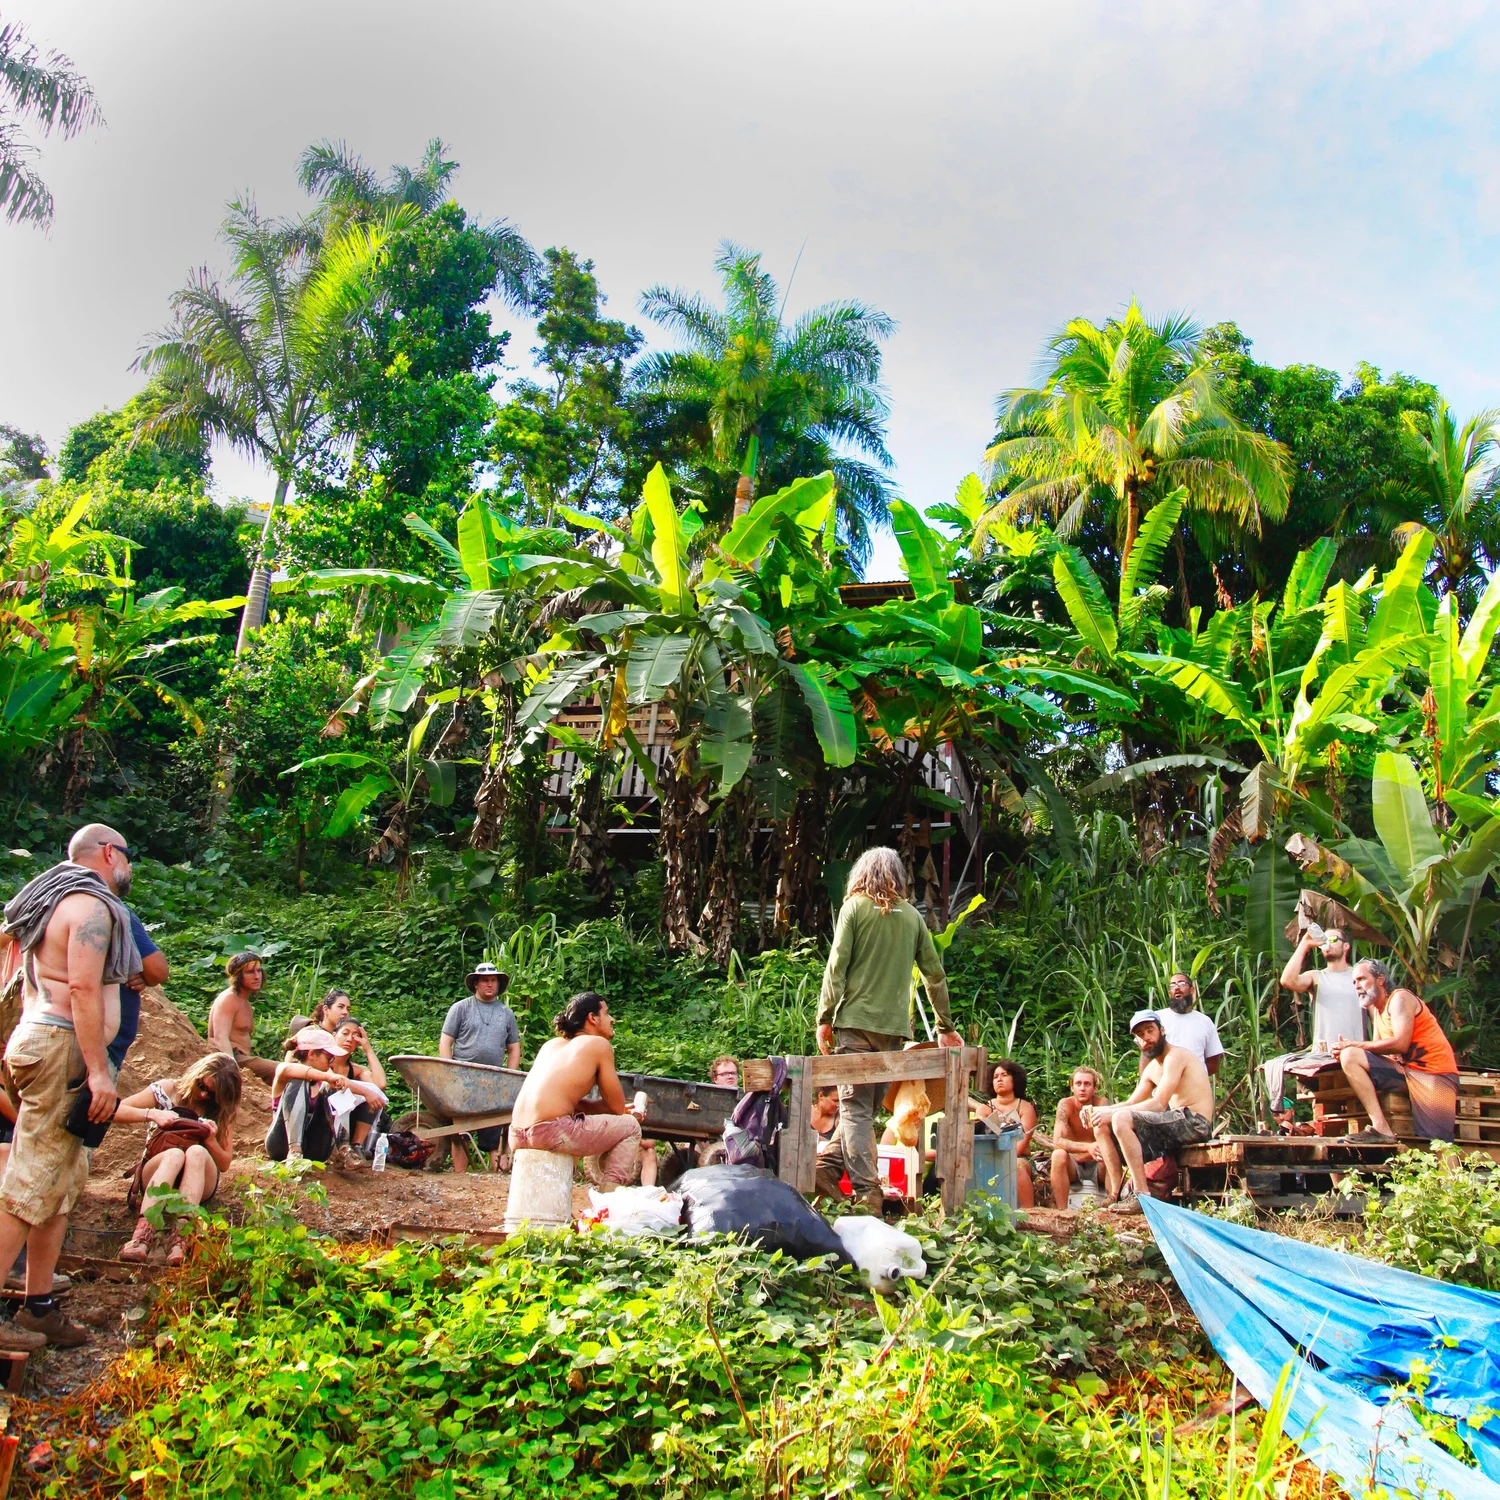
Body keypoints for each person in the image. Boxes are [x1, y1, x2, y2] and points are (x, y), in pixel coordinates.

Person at [0, 823, 140, 1348]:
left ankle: (38, 1306)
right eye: (127, 856)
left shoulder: (52, 899)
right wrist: (99, 1070)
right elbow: (81, 985)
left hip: (43, 1042)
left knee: (59, 1183)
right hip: (63, 1049)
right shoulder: (90, 906)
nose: (130, 866)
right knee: (30, 1183)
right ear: (109, 853)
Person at [816, 847, 961, 1215]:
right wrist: (945, 1025)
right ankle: (827, 1168)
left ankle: (868, 1195)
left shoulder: (854, 908)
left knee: (855, 1109)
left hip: (855, 1026)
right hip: (893, 1032)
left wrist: (825, 1016)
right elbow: (934, 975)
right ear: (898, 876)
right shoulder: (912, 917)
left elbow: (836, 967)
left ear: (861, 874)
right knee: (861, 1109)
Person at [115, 1053, 241, 1265]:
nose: (202, 1095)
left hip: (198, 1175)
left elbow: (224, 1163)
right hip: (159, 1169)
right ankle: (141, 1237)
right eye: (201, 1086)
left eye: (211, 1094)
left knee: (196, 1152)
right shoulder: (167, 1090)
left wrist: (210, 1139)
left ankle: (181, 1239)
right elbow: (115, 1110)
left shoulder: (222, 1112)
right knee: (175, 1155)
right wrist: (152, 1114)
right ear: (196, 1074)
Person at [1084, 1011, 1214, 1215]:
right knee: (1101, 1125)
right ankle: (1115, 1194)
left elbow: (1159, 1103)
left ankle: (1141, 1195)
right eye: (1140, 1034)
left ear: (1162, 1031)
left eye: (1150, 1031)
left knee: (1120, 1118)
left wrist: (1112, 1113)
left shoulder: (1176, 1056)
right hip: (1174, 1122)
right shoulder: (1152, 1068)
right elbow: (1131, 1102)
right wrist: (1098, 1111)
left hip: (1194, 1122)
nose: (1146, 1037)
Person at [508, 992, 642, 1188]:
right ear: (592, 1018)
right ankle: (608, 1199)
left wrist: (608, 1108)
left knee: (571, 1121)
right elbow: (616, 1107)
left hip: (517, 1133)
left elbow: (565, 1102)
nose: (612, 1019)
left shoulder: (550, 1045)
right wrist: (623, 1111)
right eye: (607, 1013)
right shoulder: (598, 1044)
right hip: (550, 1132)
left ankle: (556, 1206)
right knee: (630, 1126)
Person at [1336, 961, 1459, 1143]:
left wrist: (1355, 1044)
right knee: (1349, 1056)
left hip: (1434, 1074)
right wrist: (1345, 1049)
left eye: (1361, 979)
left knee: (1439, 1145)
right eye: (1354, 982)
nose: (1357, 986)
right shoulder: (1377, 1009)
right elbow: (1379, 1049)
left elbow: (1401, 1044)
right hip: (1406, 1073)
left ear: (1380, 979)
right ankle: (1381, 1128)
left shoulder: (1400, 999)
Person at [1266, 927, 1363, 1125]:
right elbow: (1287, 980)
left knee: (1359, 1112)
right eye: (1324, 939)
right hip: (1325, 1055)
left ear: (1346, 946)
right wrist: (1305, 944)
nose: (1327, 942)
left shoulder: (1358, 976)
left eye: (1333, 938)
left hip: (1356, 1052)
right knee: (1326, 1115)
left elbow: (1375, 1012)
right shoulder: (1317, 976)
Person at [439, 961, 522, 1174]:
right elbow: (446, 1041)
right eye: (485, 980)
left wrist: (510, 1075)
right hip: (463, 1076)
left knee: (493, 1129)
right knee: (460, 1128)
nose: (489, 984)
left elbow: (513, 1048)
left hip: (492, 1078)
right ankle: (460, 1177)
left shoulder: (506, 1013)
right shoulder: (461, 1008)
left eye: (493, 980)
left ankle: (494, 1179)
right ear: (476, 983)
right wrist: (449, 1070)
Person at [265, 1027, 385, 1167]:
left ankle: (344, 1150)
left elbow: (340, 1082)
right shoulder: (286, 1071)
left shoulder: (327, 1081)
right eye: (329, 1057)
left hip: (316, 1149)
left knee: (335, 1087)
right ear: (312, 1054)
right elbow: (288, 1069)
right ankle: (295, 1152)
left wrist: (366, 1092)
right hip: (281, 1145)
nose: (331, 1062)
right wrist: (329, 1077)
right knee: (299, 1081)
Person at [640, 1055, 738, 1186]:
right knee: (690, 1148)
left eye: (733, 1073)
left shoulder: (745, 1098)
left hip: (735, 1141)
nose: (730, 1076)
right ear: (716, 1078)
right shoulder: (708, 1097)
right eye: (725, 1074)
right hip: (711, 1139)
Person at [973, 1059, 1037, 1208]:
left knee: (1017, 1165)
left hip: (1020, 1157)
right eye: (995, 1077)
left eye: (1004, 1075)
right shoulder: (984, 1109)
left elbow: (1020, 1145)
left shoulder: (1025, 1108)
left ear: (1015, 1079)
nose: (999, 1079)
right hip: (988, 1157)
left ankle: (1030, 1213)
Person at [207, 952, 277, 1084]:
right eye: (250, 972)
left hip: (243, 1059)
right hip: (232, 1059)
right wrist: (232, 1070)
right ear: (238, 976)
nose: (257, 976)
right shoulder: (229, 999)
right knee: (282, 1070)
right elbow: (219, 1038)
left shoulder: (244, 1001)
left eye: (259, 971)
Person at [1048, 1066, 1108, 1210]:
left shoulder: (1102, 1104)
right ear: (1072, 1087)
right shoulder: (1065, 1105)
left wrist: (1089, 1153)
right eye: (1078, 1084)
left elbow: (1108, 1141)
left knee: (1110, 1155)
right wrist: (1087, 1147)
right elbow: (1058, 1141)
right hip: (1074, 1163)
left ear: (1094, 1088)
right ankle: (1062, 1212)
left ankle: (1111, 1207)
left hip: (1098, 1162)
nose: (1082, 1088)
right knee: (1058, 1155)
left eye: (1087, 1084)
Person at [329, 1016, 388, 1154]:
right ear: (334, 1035)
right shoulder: (324, 1062)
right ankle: (339, 1146)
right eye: (345, 1033)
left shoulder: (356, 1069)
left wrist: (368, 1049)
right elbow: (335, 1080)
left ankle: (357, 1146)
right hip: (323, 1112)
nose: (349, 1039)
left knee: (372, 1093)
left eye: (355, 1036)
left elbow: (380, 1085)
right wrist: (366, 1093)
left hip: (349, 1118)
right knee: (355, 1092)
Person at [1156, 973, 1225, 1076]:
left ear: (1192, 990)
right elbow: (1146, 1054)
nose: (1177, 988)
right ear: (1170, 993)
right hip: (1163, 1086)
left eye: (1182, 983)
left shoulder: (1205, 1021)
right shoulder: (1157, 1018)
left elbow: (1213, 1063)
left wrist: (1194, 1077)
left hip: (1196, 1088)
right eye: (1173, 985)